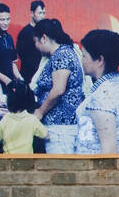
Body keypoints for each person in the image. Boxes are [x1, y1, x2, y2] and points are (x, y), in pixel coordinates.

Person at [31, 18, 84, 154]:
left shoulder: (62, 55)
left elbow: (58, 90)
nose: (36, 46)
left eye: (35, 42)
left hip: (60, 129)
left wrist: (40, 112)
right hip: (58, 127)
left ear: (43, 38)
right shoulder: (59, 54)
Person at [75, 28, 119, 154]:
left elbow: (108, 150)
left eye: (84, 55)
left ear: (99, 60)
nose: (81, 60)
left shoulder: (102, 98)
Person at [0, 80, 47, 154]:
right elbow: (45, 135)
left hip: (9, 160)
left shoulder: (6, 118)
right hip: (26, 161)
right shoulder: (32, 119)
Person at [0, 2, 21, 88]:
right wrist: (5, 79)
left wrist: (20, 79)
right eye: (2, 20)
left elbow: (12, 62)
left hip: (9, 84)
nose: (6, 23)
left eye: (8, 19)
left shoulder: (9, 37)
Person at [16, 0, 47, 86]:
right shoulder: (25, 32)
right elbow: (20, 54)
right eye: (39, 13)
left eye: (44, 13)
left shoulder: (45, 31)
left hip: (42, 75)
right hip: (28, 76)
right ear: (32, 13)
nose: (42, 16)